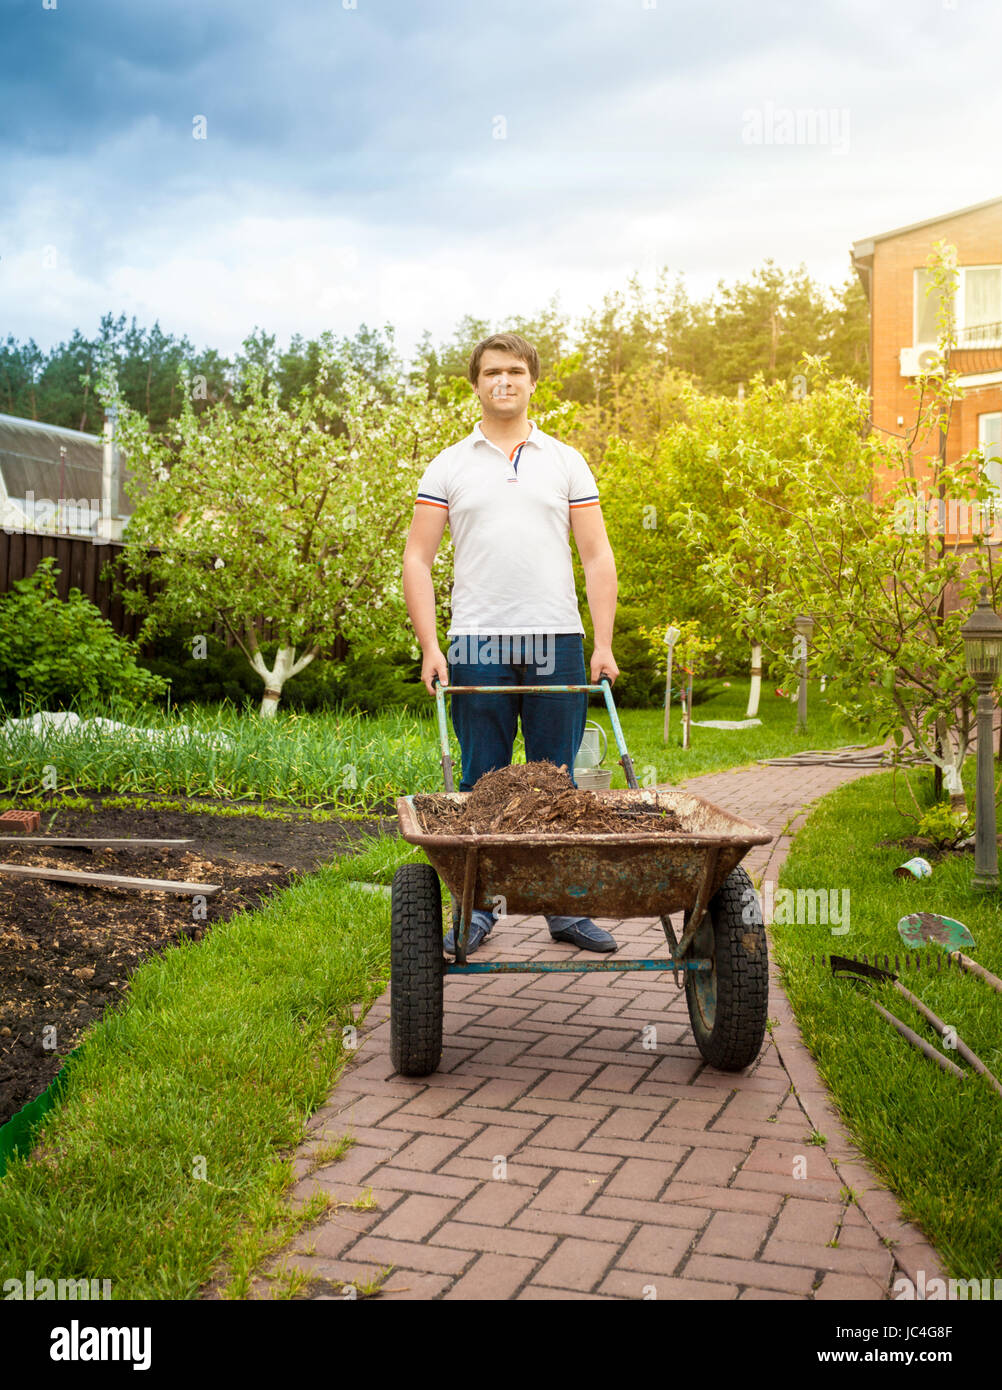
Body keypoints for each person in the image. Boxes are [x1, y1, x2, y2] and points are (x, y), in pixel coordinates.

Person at [402, 332, 620, 955]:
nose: (504, 381)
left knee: (560, 786)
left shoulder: (565, 460)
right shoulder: (449, 464)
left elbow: (598, 555)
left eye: (516, 371)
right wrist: (431, 645)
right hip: (478, 642)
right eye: (493, 371)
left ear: (532, 382)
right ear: (476, 383)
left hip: (558, 638)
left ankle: (564, 911)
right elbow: (418, 559)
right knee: (481, 783)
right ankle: (477, 910)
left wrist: (602, 643)